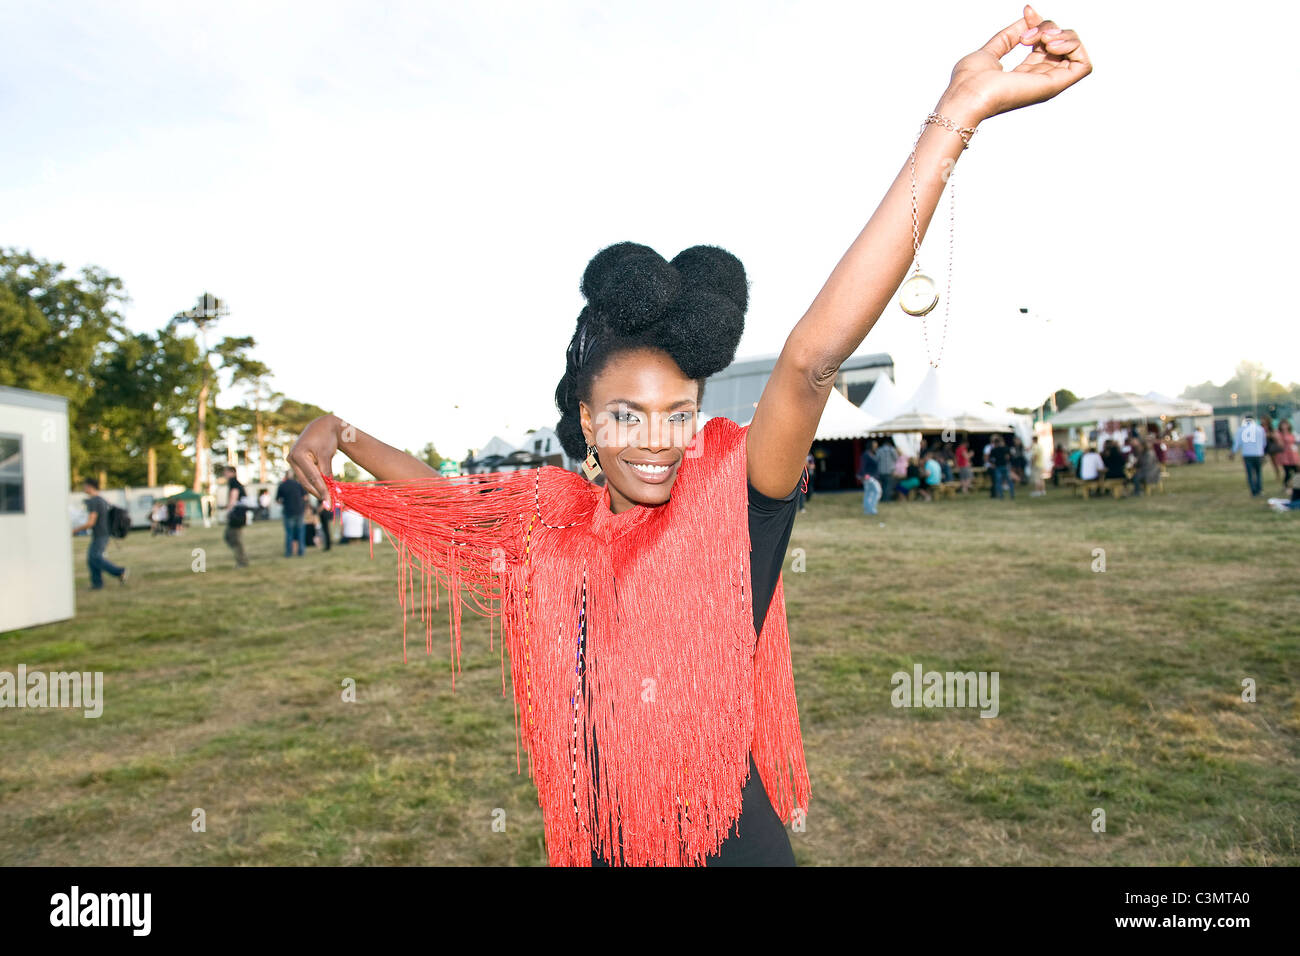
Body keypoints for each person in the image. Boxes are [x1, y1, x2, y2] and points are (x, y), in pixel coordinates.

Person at [284, 11, 1092, 868]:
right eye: (628, 414)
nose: (660, 438)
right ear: (588, 423)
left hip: (728, 848)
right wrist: (344, 431)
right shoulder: (545, 529)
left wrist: (955, 117)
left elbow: (811, 361)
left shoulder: (733, 499)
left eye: (680, 409)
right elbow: (444, 500)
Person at [72, 478, 128, 589]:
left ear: (90, 486)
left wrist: (75, 530)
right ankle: (97, 584)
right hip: (104, 533)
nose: (83, 488)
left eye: (84, 486)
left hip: (100, 534)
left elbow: (91, 522)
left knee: (95, 557)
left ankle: (119, 571)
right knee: (92, 558)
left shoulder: (94, 501)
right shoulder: (102, 499)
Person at [1231, 415, 1267, 497]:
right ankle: (1259, 490)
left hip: (1247, 454)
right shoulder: (1260, 429)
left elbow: (1237, 442)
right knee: (1258, 473)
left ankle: (1253, 491)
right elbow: (1264, 443)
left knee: (1250, 474)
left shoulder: (1241, 430)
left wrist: (1233, 452)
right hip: (1258, 454)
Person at [224, 466, 250, 567]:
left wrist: (229, 509)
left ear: (232, 472)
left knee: (234, 538)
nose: (224, 474)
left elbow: (234, 495)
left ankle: (242, 560)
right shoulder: (236, 483)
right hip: (239, 514)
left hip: (237, 514)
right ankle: (241, 559)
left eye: (226, 472)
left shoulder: (233, 482)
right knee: (231, 537)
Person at [276, 474, 307, 557]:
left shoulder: (282, 485)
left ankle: (289, 553)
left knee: (289, 533)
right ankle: (301, 551)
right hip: (299, 511)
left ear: (285, 477)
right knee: (300, 532)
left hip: (288, 512)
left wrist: (285, 502)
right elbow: (305, 497)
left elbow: (278, 500)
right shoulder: (298, 485)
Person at [857, 441, 881, 515]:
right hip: (869, 477)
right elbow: (863, 466)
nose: (876, 448)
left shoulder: (872, 454)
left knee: (869, 493)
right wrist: (864, 476)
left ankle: (868, 509)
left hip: (871, 476)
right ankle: (871, 508)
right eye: (874, 446)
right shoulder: (866, 455)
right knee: (877, 491)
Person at [1275, 419, 1298, 489]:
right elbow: (1280, 444)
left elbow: (1294, 442)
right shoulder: (1279, 434)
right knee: (1288, 472)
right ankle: (1285, 485)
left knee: (1296, 471)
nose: (1284, 426)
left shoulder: (1291, 433)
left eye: (1285, 424)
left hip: (1292, 454)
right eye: (1283, 425)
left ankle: (1296, 486)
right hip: (1285, 455)